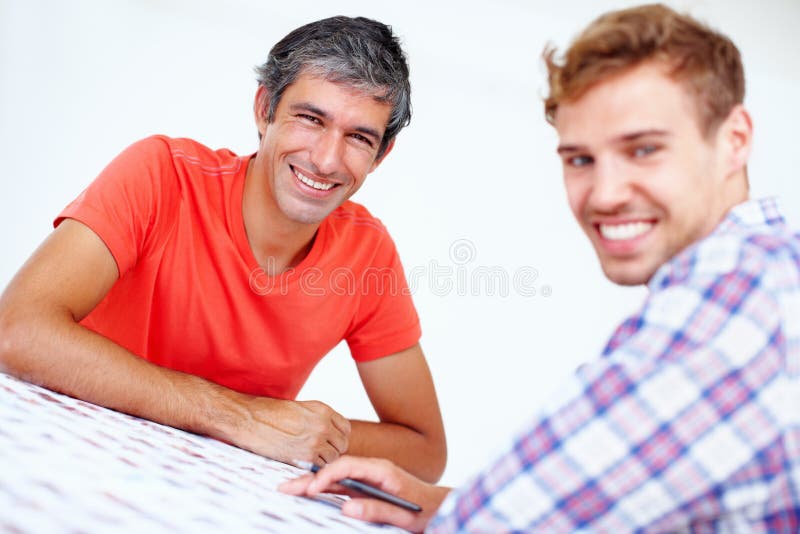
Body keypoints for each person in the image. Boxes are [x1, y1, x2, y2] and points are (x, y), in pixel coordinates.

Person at [280, 4, 800, 531]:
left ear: (734, 140)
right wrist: (451, 505)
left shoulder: (736, 294)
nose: (606, 193)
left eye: (643, 149)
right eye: (580, 159)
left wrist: (468, 515)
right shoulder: (769, 268)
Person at [0, 16, 446, 482]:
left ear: (381, 155)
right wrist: (239, 415)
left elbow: (425, 451)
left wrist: (306, 431)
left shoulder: (367, 253)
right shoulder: (161, 174)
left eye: (358, 137)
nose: (327, 159)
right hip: (66, 457)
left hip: (207, 497)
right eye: (311, 119)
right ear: (263, 109)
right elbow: (17, 331)